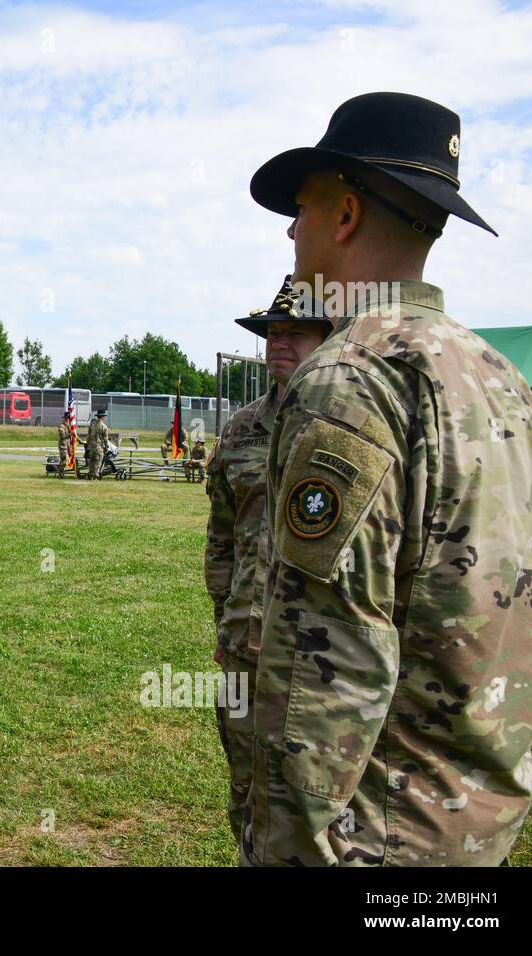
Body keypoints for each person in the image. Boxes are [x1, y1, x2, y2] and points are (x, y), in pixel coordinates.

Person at [243, 92, 532, 866]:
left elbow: (326, 666)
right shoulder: (498, 376)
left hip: (378, 838)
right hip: (474, 824)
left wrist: (287, 849)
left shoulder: (350, 378)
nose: (290, 229)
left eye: (304, 207)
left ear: (345, 214)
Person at [204, 276, 330, 844]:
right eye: (272, 332)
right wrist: (224, 620)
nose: (278, 342)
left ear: (327, 339)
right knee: (245, 786)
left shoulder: (345, 424)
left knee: (317, 800)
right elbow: (222, 537)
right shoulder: (242, 428)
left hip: (324, 655)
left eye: (295, 332)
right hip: (245, 644)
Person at [86, 408, 110, 480]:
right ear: (103, 417)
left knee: (91, 463)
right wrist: (106, 448)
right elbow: (105, 439)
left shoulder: (92, 425)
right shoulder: (104, 426)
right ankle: (95, 477)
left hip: (91, 447)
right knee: (97, 463)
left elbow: (88, 436)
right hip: (99, 448)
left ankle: (90, 476)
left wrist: (88, 445)